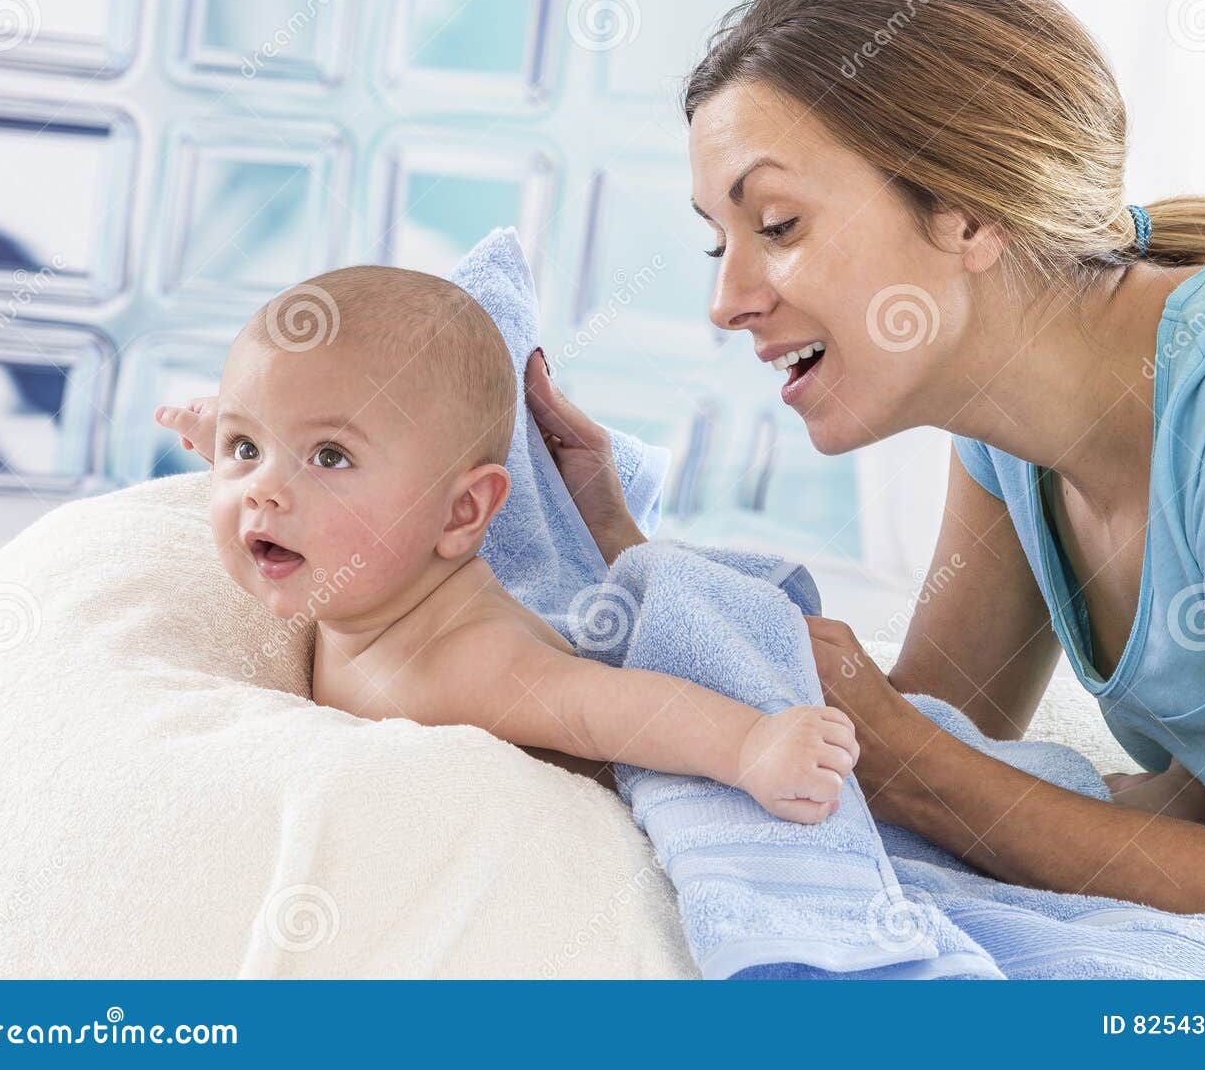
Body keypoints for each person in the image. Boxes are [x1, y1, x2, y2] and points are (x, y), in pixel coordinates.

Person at [524, 0, 1205, 977]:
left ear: (967, 211)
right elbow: (931, 747)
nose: (729, 297)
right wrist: (623, 560)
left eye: (779, 224)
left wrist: (895, 747)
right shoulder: (1012, 430)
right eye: (720, 242)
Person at [155, 265, 858, 825]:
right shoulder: (365, 584)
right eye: (245, 448)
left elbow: (607, 707)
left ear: (462, 512)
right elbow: (278, 420)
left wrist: (750, 747)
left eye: (330, 458)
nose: (262, 491)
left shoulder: (462, 663)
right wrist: (215, 427)